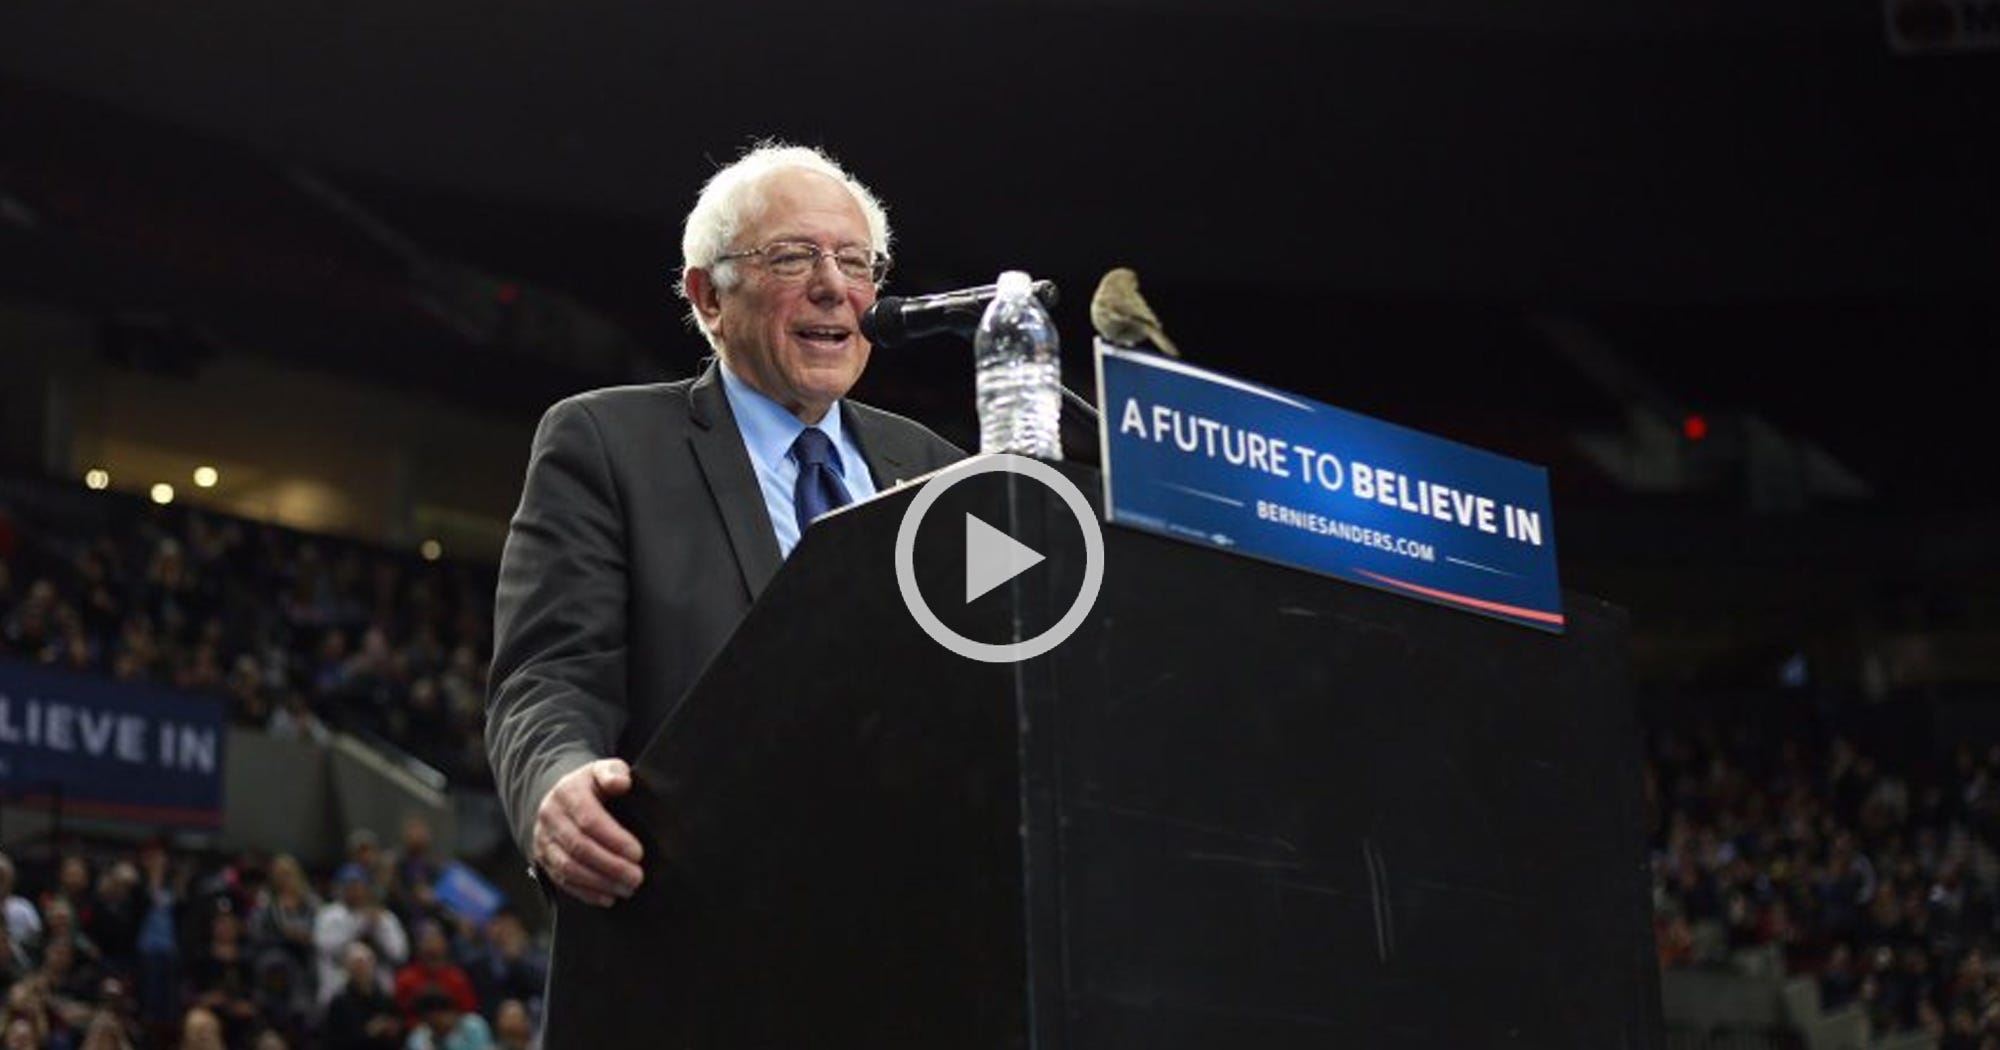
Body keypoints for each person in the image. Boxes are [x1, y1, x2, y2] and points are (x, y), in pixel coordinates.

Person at [485, 141, 963, 912]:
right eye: (793, 258)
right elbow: (550, 677)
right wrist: (555, 781)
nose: (833, 287)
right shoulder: (608, 445)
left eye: (856, 261)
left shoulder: (941, 469)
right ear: (709, 297)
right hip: (697, 917)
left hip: (910, 916)